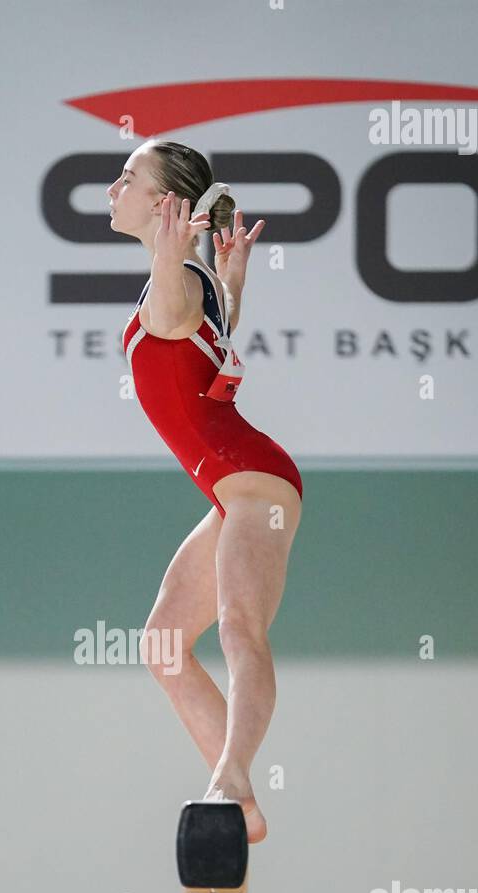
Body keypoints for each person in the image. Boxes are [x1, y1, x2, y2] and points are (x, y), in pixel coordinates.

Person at [108, 140, 303, 844]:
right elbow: (203, 340)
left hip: (256, 486)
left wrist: (183, 260)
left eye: (126, 178)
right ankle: (240, 797)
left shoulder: (177, 286)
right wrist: (233, 284)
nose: (110, 190)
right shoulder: (195, 286)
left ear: (166, 205)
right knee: (163, 643)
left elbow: (176, 308)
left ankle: (234, 776)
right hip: (236, 490)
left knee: (237, 628)